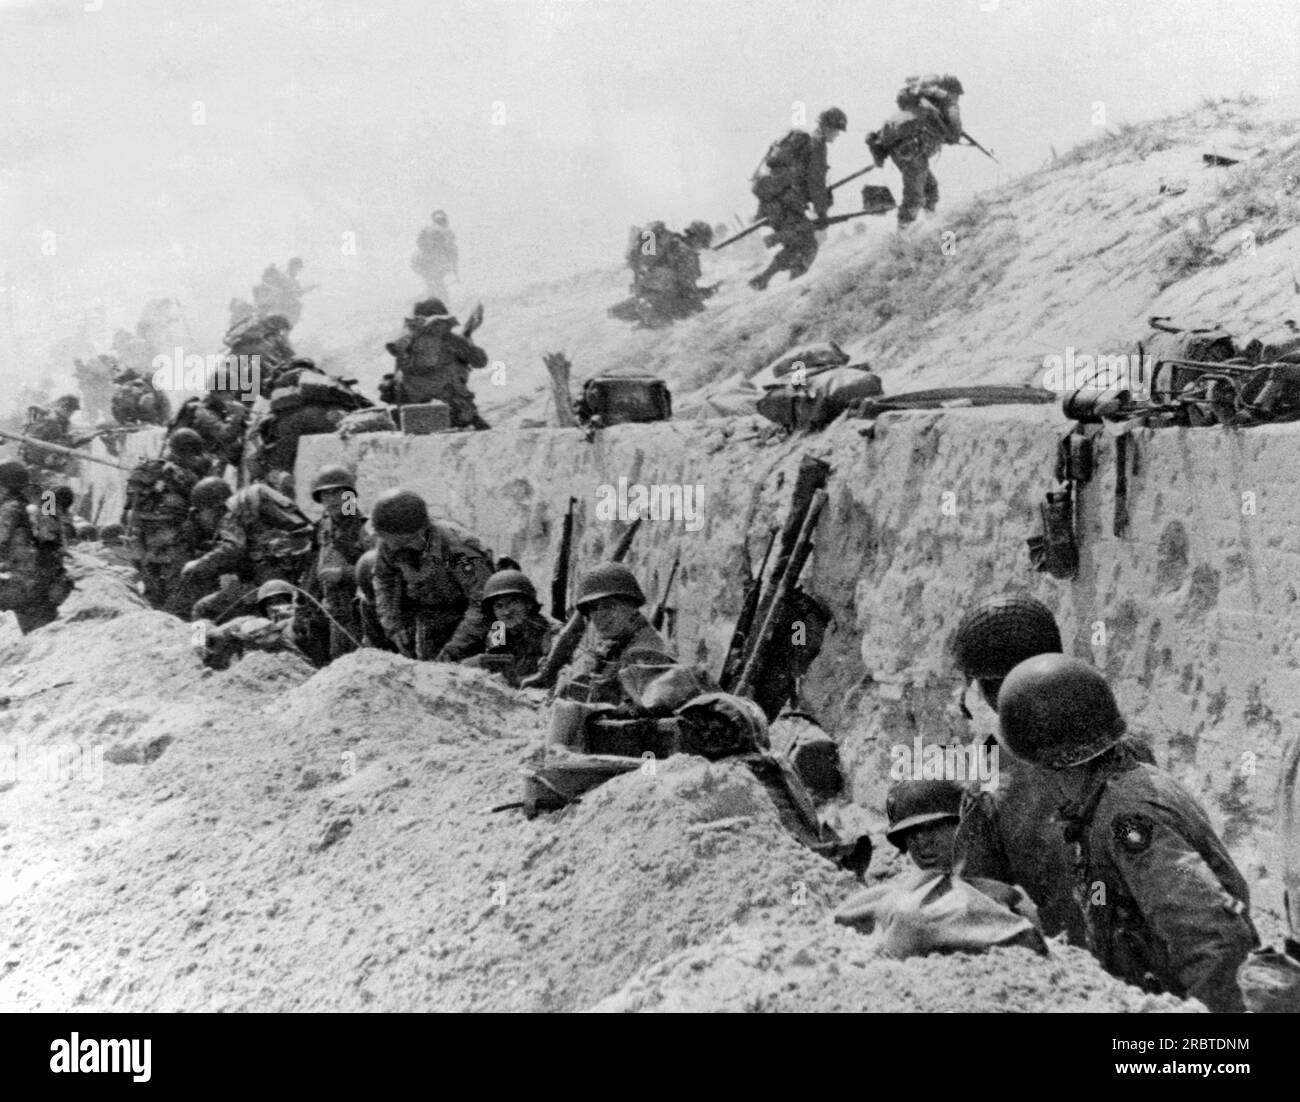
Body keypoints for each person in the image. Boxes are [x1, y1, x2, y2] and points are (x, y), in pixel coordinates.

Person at [997, 654, 1258, 1012]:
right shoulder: (1101, 796)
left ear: (1046, 761)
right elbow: (1104, 890)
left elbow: (1211, 934)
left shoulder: (1127, 817)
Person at [950, 593, 1154, 944]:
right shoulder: (1118, 742)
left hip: (1071, 964)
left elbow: (980, 899)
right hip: (1143, 955)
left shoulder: (987, 778)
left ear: (985, 689)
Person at [370, 488, 493, 661]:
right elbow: (383, 581)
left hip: (470, 623)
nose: (385, 544)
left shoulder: (456, 549)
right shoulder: (389, 544)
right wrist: (394, 626)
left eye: (389, 537)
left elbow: (483, 603)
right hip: (429, 619)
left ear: (413, 535)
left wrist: (455, 647)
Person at [181, 476, 315, 621]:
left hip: (265, 583)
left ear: (211, 507)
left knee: (202, 609)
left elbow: (233, 549)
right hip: (297, 575)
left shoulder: (229, 515)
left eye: (201, 512)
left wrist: (197, 565)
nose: (201, 518)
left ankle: (198, 643)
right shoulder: (249, 514)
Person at [748, 107, 847, 291]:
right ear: (828, 126)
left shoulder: (801, 143)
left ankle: (763, 278)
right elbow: (815, 182)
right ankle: (793, 289)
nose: (838, 135)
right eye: (837, 130)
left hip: (772, 203)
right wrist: (822, 212)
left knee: (796, 244)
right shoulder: (817, 145)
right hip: (786, 204)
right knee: (808, 245)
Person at [549, 562, 676, 705]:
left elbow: (642, 709)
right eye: (593, 608)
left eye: (608, 606)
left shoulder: (648, 650)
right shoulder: (615, 645)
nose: (599, 615)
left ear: (632, 605)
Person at [121, 428, 213, 616]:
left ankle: (155, 628)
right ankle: (182, 633)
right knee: (180, 591)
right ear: (188, 452)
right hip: (172, 541)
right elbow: (200, 510)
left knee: (152, 590)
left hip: (140, 540)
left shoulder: (147, 470)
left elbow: (128, 509)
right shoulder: (185, 476)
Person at [866, 74, 964, 227]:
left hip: (898, 146)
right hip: (912, 150)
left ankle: (931, 222)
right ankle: (902, 234)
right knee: (915, 197)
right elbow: (955, 133)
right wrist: (952, 134)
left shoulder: (919, 101)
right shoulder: (947, 103)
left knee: (931, 188)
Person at [384, 298, 489, 429]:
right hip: (453, 413)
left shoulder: (404, 344)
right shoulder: (451, 340)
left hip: (411, 416)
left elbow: (397, 381)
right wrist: (467, 335)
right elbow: (480, 361)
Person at [306, 464, 371, 661]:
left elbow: (377, 570)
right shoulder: (326, 523)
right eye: (325, 495)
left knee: (348, 659)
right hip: (330, 606)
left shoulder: (361, 527)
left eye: (338, 493)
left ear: (349, 496)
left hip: (355, 611)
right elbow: (316, 561)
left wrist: (343, 574)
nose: (331, 499)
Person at [0, 460, 71, 634]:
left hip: (23, 582)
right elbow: (57, 536)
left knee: (35, 631)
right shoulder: (42, 500)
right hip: (50, 578)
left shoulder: (10, 507)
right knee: (43, 629)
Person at [460, 568, 559, 686]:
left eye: (513, 602)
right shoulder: (498, 629)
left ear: (528, 604)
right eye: (499, 606)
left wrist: (513, 681)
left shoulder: (550, 631)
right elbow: (493, 662)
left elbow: (553, 678)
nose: (506, 612)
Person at [619, 221, 716, 326]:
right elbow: (688, 291)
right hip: (661, 304)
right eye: (702, 244)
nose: (700, 248)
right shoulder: (687, 254)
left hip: (643, 298)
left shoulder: (669, 243)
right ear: (697, 239)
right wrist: (711, 291)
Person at [411, 211, 459, 301]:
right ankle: (438, 299)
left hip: (421, 262)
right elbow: (453, 253)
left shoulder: (427, 230)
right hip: (430, 263)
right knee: (436, 282)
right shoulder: (447, 233)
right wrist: (455, 272)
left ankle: (433, 297)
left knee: (433, 282)